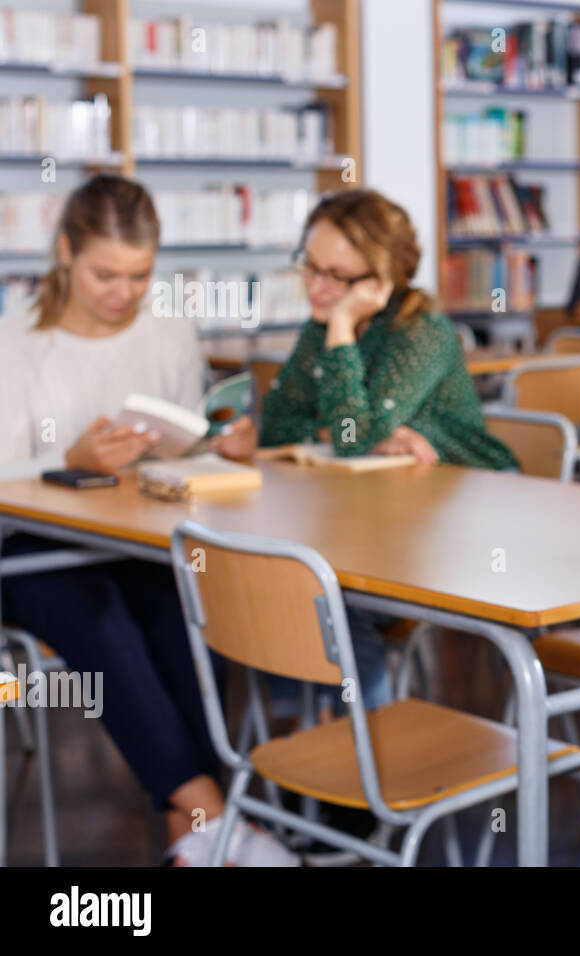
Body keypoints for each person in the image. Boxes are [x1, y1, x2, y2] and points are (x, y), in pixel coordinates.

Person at [0, 174, 297, 866]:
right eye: (106, 274)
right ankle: (208, 818)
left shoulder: (167, 331)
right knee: (97, 614)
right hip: (29, 553)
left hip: (136, 540)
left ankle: (194, 836)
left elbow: (182, 444)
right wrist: (65, 457)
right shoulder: (15, 343)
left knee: (189, 607)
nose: (123, 293)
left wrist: (217, 444)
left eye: (139, 276)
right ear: (66, 252)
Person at [214, 188, 517, 714]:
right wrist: (349, 426)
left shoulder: (424, 331)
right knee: (291, 577)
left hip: (466, 514)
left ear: (382, 279)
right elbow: (283, 424)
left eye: (338, 277)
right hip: (370, 509)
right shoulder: (317, 324)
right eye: (309, 266)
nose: (315, 285)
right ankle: (317, 739)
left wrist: (338, 333)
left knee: (327, 594)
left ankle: (364, 749)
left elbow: (352, 433)